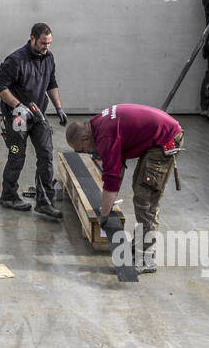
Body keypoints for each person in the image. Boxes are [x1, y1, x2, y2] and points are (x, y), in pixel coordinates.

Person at [65, 105, 183, 274]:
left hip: (167, 140)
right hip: (159, 137)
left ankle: (146, 258)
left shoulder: (105, 137)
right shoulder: (96, 124)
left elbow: (112, 180)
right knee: (139, 187)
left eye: (83, 149)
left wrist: (104, 213)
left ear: (85, 138)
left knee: (146, 199)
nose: (87, 152)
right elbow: (117, 167)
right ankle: (138, 246)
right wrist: (108, 204)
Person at [0, 22, 68, 220]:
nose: (46, 47)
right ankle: (8, 196)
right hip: (17, 117)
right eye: (43, 43)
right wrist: (18, 105)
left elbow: (51, 83)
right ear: (32, 38)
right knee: (17, 155)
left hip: (38, 114)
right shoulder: (16, 60)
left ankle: (45, 202)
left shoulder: (48, 58)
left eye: (49, 43)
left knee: (46, 155)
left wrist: (59, 107)